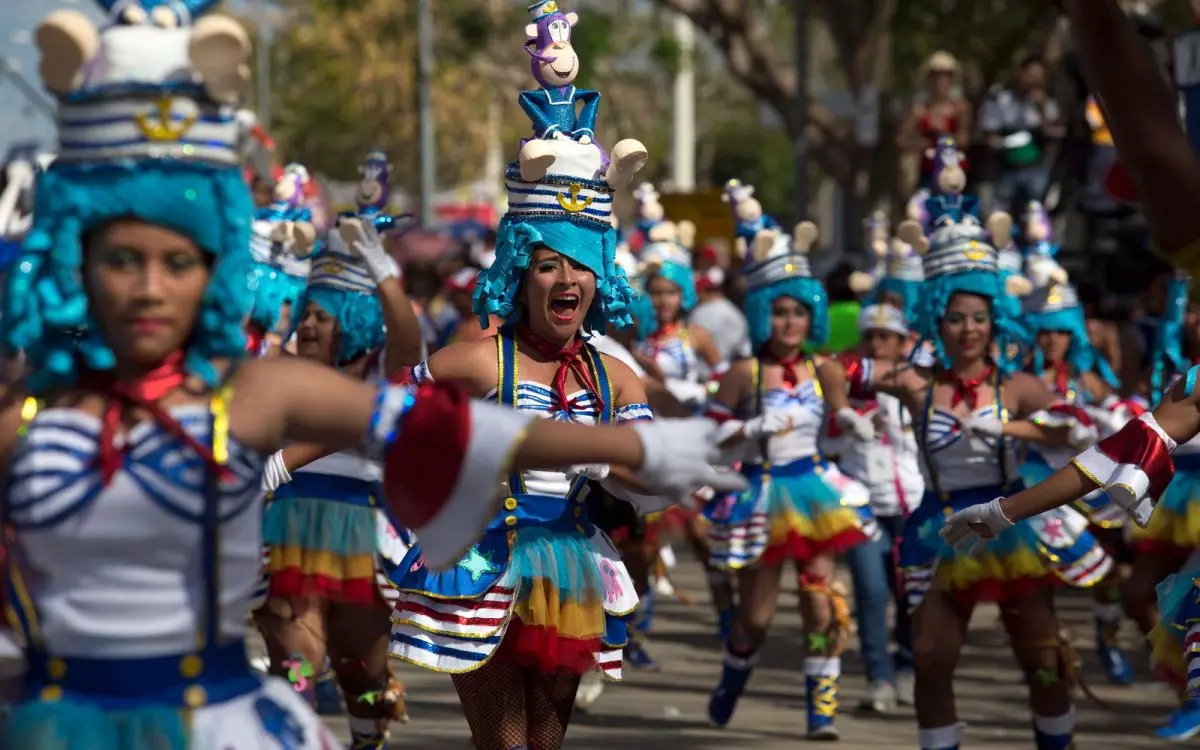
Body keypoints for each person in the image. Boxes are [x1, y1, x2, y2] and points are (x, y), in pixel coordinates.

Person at [0, 7, 742, 747]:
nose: (150, 290)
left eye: (180, 261)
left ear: (216, 269)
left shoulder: (255, 393)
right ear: (76, 261)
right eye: (122, 259)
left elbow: (435, 423)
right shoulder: (23, 420)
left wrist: (643, 456)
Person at [822, 208, 1109, 750]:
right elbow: (833, 368)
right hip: (941, 522)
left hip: (1009, 523)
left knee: (1043, 656)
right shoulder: (915, 381)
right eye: (956, 318)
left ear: (994, 318)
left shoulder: (1016, 385)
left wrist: (1012, 424)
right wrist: (845, 412)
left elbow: (1077, 427)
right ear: (937, 320)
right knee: (931, 656)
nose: (969, 329)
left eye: (979, 317)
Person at [253, 152, 425, 748]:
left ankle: (366, 738)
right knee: (295, 667)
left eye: (320, 319)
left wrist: (379, 265)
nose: (307, 328)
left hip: (362, 531)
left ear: (352, 321)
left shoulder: (381, 376)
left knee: (364, 675)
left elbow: (410, 340)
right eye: (305, 317)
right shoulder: (281, 368)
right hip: (289, 528)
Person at [704, 220, 875, 739]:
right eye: (780, 311)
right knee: (755, 618)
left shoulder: (824, 367)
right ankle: (733, 677)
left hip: (815, 490)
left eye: (800, 312)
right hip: (760, 494)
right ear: (763, 314)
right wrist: (747, 427)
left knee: (820, 601)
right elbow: (710, 437)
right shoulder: (745, 373)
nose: (791, 322)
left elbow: (843, 413)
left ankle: (821, 711)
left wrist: (851, 426)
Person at [829, 304, 923, 713]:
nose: (879, 344)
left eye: (888, 337)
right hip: (862, 505)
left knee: (911, 593)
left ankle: (908, 668)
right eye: (871, 336)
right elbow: (825, 446)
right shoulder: (843, 387)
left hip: (914, 506)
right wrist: (850, 422)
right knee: (871, 590)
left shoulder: (919, 386)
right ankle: (878, 678)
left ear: (904, 344)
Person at [980, 54, 1066, 211]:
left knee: (1036, 218)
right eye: (1031, 75)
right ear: (1020, 74)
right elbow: (988, 131)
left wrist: (1042, 109)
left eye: (1039, 76)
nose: (1034, 80)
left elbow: (1058, 132)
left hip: (1035, 168)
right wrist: (999, 143)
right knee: (1000, 215)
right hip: (1006, 168)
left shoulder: (1048, 104)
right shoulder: (1001, 100)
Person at [899, 51, 973, 191]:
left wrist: (943, 138)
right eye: (937, 76)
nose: (941, 81)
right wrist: (918, 143)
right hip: (927, 173)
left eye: (946, 76)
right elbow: (902, 139)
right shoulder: (920, 110)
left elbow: (965, 139)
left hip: (953, 175)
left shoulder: (960, 108)